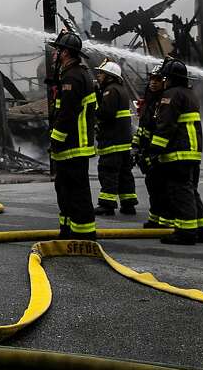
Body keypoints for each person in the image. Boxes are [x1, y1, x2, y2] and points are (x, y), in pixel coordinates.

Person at [146, 59, 203, 245]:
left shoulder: (171, 95)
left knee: (180, 192)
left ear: (170, 78)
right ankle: (200, 229)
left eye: (164, 78)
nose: (163, 81)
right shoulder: (189, 94)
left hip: (178, 152)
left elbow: (165, 126)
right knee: (190, 190)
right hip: (192, 152)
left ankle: (185, 233)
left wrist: (153, 151)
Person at [48, 30, 97, 239]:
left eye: (57, 50)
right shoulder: (76, 74)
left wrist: (55, 139)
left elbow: (68, 113)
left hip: (72, 145)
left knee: (76, 191)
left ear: (66, 53)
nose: (54, 54)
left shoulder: (73, 77)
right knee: (65, 189)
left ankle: (84, 235)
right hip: (72, 144)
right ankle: (68, 229)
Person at [93, 60, 137, 217]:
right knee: (125, 174)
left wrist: (94, 108)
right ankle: (128, 204)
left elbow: (106, 113)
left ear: (110, 76)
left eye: (101, 73)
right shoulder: (121, 89)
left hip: (113, 141)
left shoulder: (110, 90)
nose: (98, 76)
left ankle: (107, 205)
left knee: (108, 172)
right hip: (123, 141)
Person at [133, 64, 170, 230]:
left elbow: (163, 129)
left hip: (159, 153)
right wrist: (135, 146)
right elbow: (143, 127)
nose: (153, 83)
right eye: (152, 79)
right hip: (149, 151)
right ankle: (155, 219)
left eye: (158, 80)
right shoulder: (150, 101)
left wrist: (153, 153)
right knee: (153, 187)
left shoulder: (165, 101)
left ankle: (166, 221)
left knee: (163, 188)